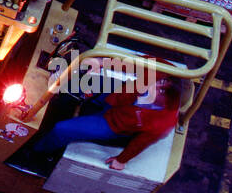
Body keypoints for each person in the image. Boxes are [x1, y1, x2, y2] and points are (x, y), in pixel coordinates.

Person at [26, 70, 186, 170]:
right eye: (161, 82)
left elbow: (142, 142)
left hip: (112, 124)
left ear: (167, 102)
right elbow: (131, 62)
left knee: (62, 130)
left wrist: (122, 160)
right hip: (115, 97)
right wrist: (102, 62)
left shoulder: (163, 123)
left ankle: (37, 151)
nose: (155, 85)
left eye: (161, 90)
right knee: (81, 79)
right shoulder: (160, 71)